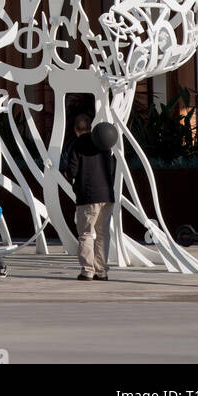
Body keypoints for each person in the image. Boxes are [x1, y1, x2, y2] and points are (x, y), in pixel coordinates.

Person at [62, 113, 116, 281]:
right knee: (103, 234)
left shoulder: (77, 145)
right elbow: (112, 167)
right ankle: (102, 271)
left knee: (86, 233)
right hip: (107, 195)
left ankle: (87, 271)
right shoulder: (104, 143)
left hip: (87, 196)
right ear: (91, 128)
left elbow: (72, 170)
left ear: (75, 129)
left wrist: (69, 177)